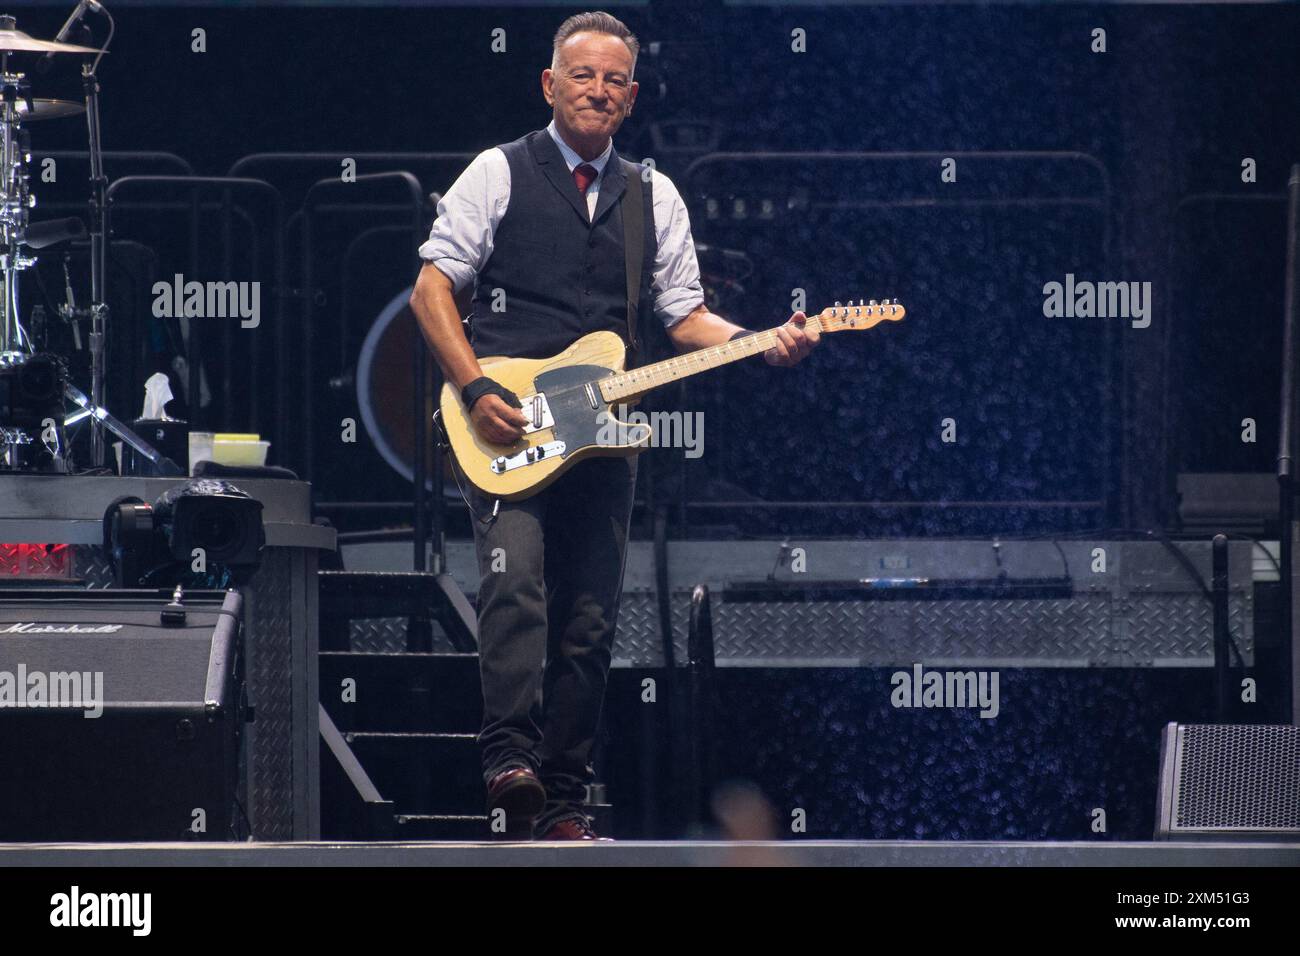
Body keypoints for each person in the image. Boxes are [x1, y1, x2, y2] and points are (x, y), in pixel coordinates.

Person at [409, 10, 818, 840]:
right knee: (516, 581)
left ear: (631, 98)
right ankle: (508, 761)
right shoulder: (498, 171)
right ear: (549, 84)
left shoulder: (653, 193)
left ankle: (562, 798)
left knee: (592, 616)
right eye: (582, 74)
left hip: (604, 430)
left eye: (613, 80)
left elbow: (685, 316)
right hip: (508, 422)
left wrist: (760, 341)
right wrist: (476, 384)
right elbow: (430, 290)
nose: (597, 89)